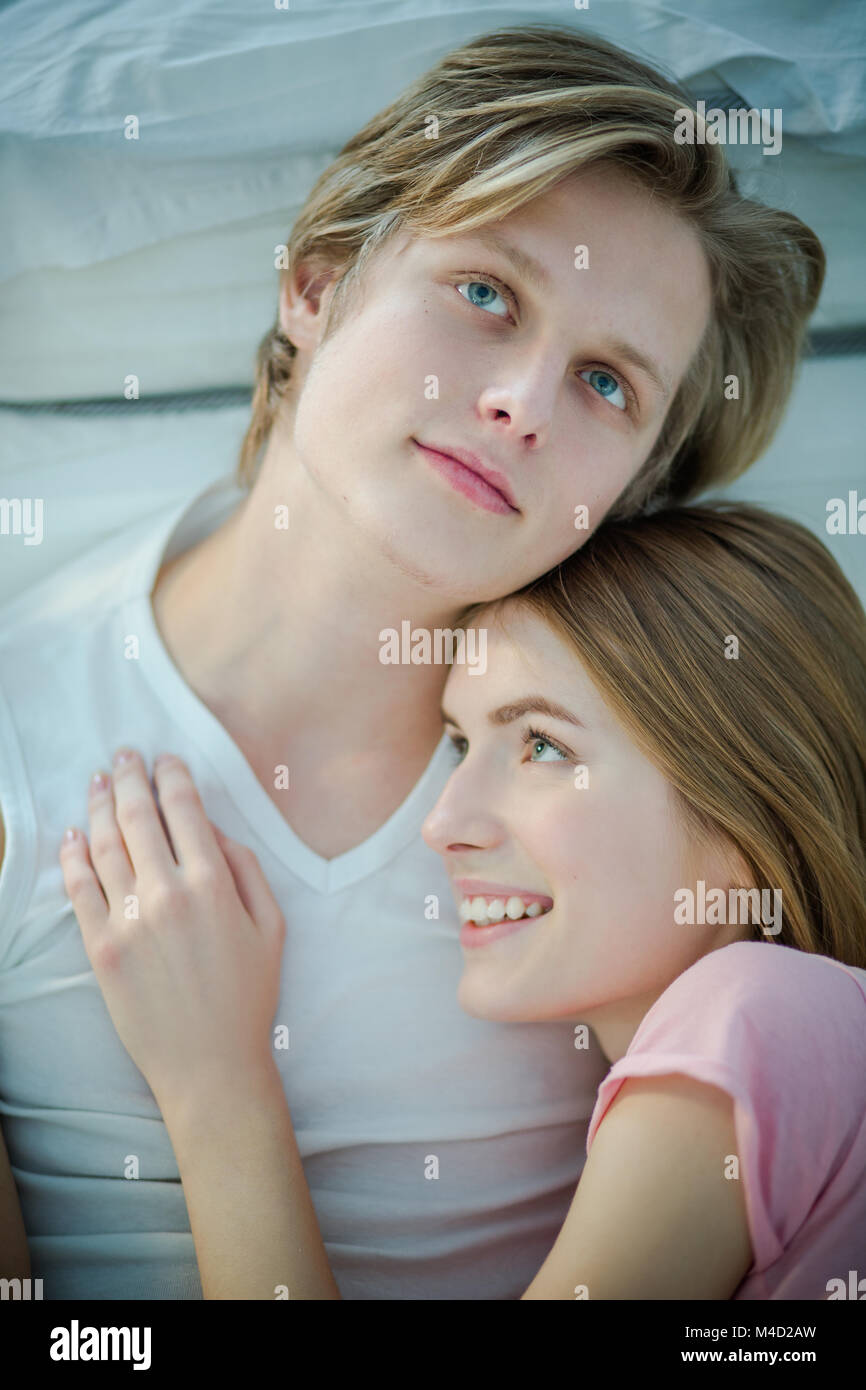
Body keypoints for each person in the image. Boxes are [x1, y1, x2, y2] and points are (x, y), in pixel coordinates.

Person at [0, 24, 824, 1298]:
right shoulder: (18, 723)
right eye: (485, 292)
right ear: (317, 285)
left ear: (631, 489)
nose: (524, 403)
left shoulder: (656, 813)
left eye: (606, 383)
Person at [58, 502, 866, 1300]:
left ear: (744, 816)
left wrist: (219, 1094)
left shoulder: (753, 1010)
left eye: (543, 746)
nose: (443, 824)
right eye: (459, 745)